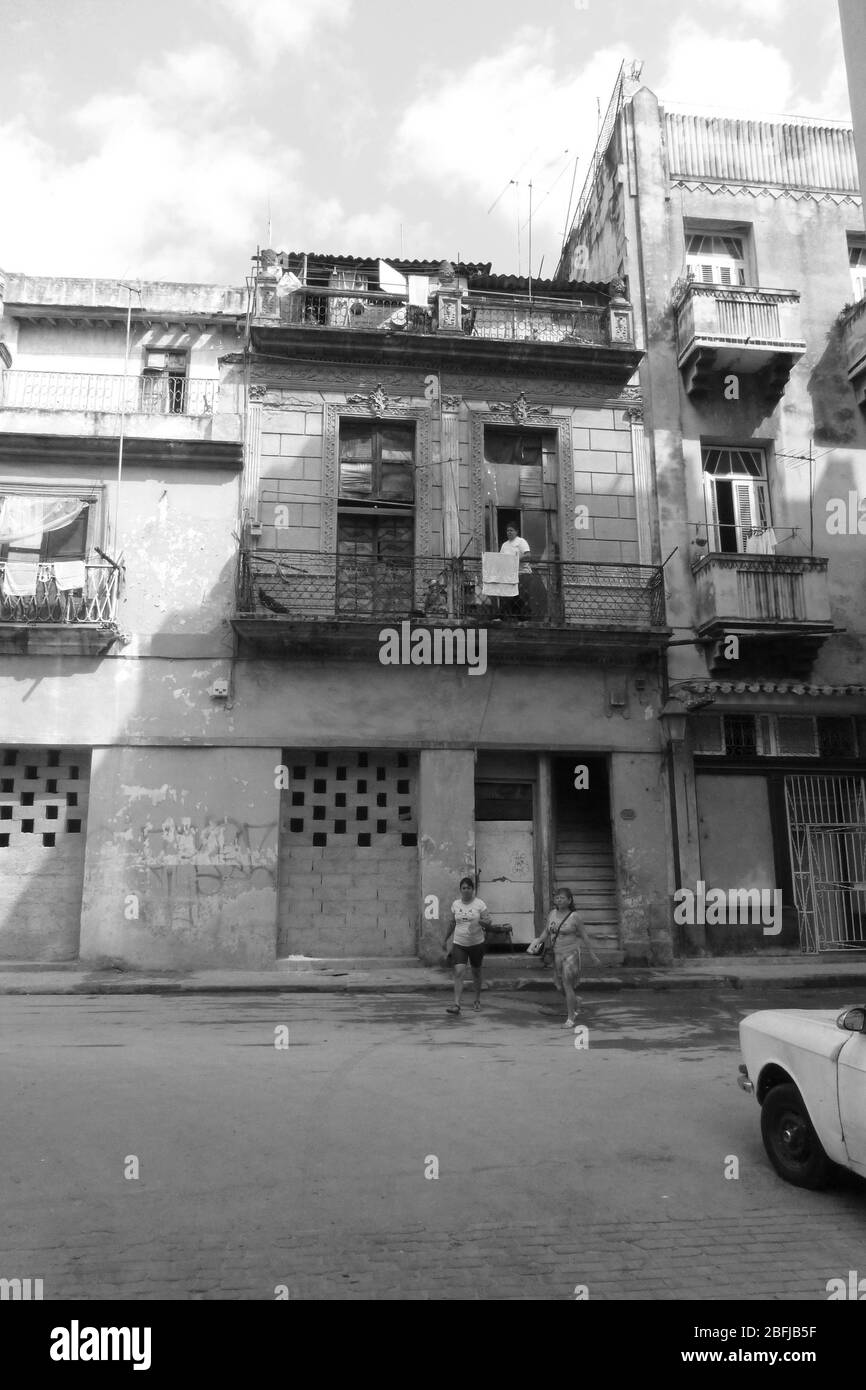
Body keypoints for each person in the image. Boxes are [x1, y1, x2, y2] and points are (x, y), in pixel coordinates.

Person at [537, 887, 601, 1028]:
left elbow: (584, 935)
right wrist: (537, 942)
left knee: (567, 984)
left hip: (571, 953)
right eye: (557, 897)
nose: (558, 899)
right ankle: (576, 1000)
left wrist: (592, 954)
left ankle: (571, 1017)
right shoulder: (552, 913)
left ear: (569, 900)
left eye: (562, 897)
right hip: (557, 953)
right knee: (558, 985)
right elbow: (546, 932)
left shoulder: (575, 917)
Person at [442, 876, 492, 1015]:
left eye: (469, 888)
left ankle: (477, 1000)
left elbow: (488, 921)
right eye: (463, 888)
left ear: (473, 889)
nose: (466, 890)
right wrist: (445, 939)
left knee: (476, 972)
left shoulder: (480, 904)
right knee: (458, 972)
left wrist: (480, 922)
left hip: (477, 944)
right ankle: (456, 1004)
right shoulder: (456, 904)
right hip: (459, 944)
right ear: (460, 890)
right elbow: (452, 923)